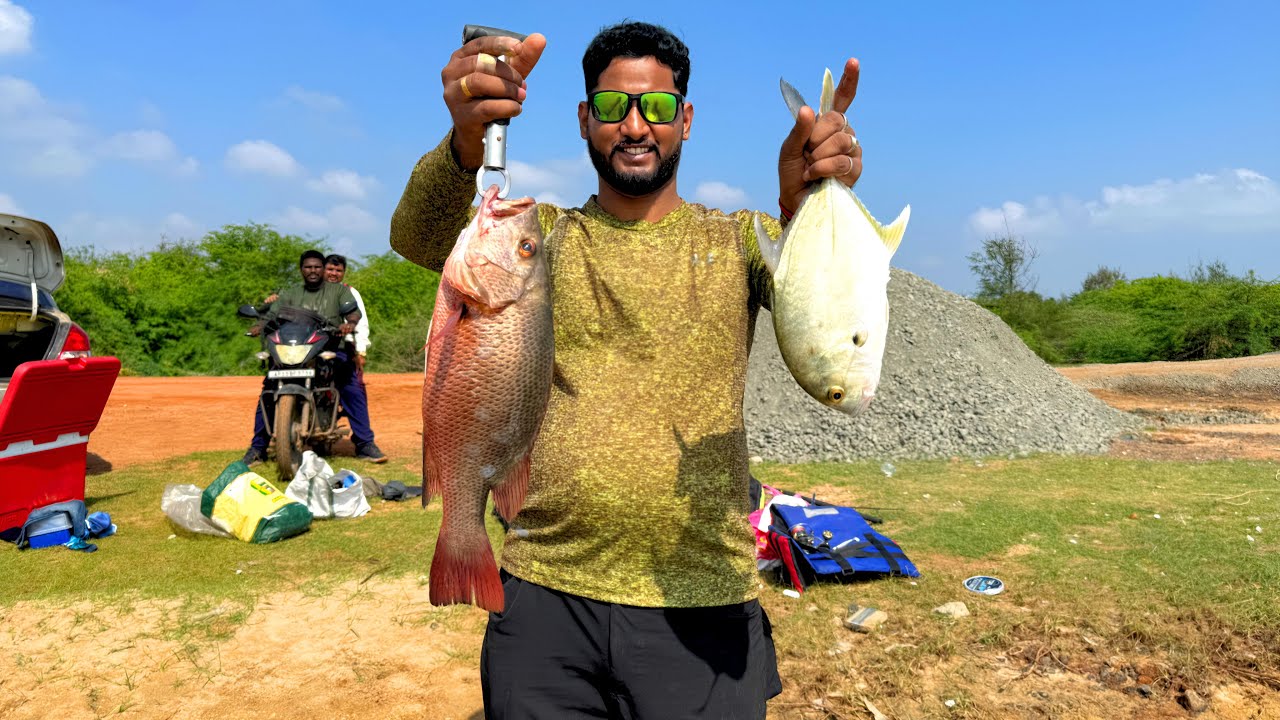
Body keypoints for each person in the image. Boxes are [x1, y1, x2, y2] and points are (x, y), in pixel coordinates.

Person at [391, 21, 862, 719]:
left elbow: (823, 319)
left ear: (687, 120)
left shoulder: (739, 242)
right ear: (586, 119)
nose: (635, 126)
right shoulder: (539, 238)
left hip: (700, 596)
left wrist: (813, 203)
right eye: (612, 108)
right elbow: (420, 237)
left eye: (658, 108)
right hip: (544, 594)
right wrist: (464, 144)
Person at [242, 250, 388, 465]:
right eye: (308, 267)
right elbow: (273, 315)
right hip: (295, 348)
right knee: (269, 388)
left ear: (322, 268)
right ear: (301, 269)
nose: (313, 271)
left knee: (351, 388)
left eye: (317, 267)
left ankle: (365, 443)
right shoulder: (291, 293)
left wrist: (349, 323)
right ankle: (258, 448)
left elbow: (353, 312)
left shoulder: (339, 291)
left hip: (331, 347)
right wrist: (259, 326)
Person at [322, 254, 371, 374]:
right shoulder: (310, 291)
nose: (334, 273)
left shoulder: (350, 292)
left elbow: (361, 323)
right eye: (330, 269)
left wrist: (361, 351)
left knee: (352, 389)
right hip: (313, 344)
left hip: (344, 347)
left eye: (338, 270)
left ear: (344, 273)